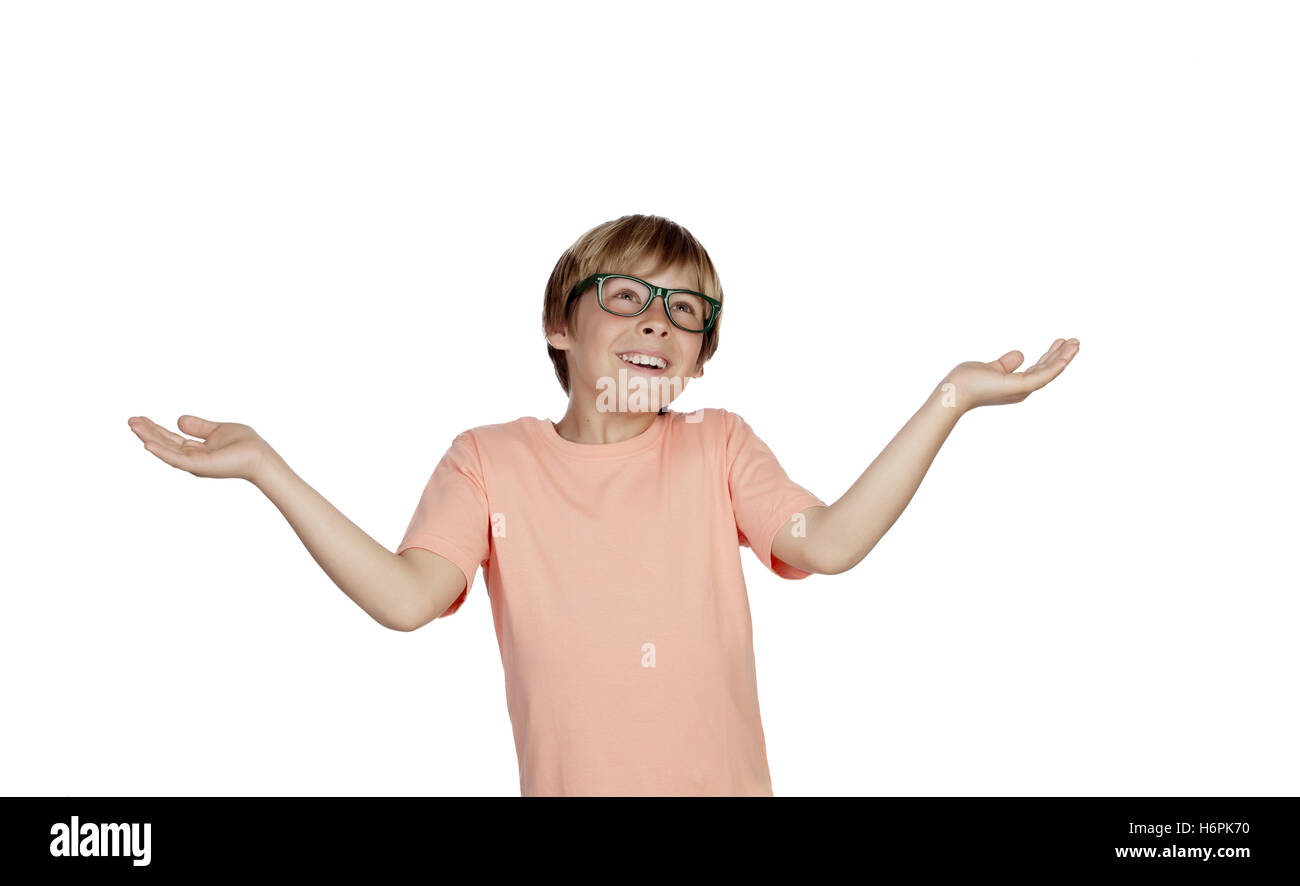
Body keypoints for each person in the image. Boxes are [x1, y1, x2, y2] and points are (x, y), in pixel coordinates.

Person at [127, 213, 1079, 796]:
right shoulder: (488, 461)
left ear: (700, 359)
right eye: (626, 297)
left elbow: (823, 542)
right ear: (558, 324)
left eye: (685, 311)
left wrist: (947, 401)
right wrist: (269, 470)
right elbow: (408, 596)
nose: (658, 321)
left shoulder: (719, 447)